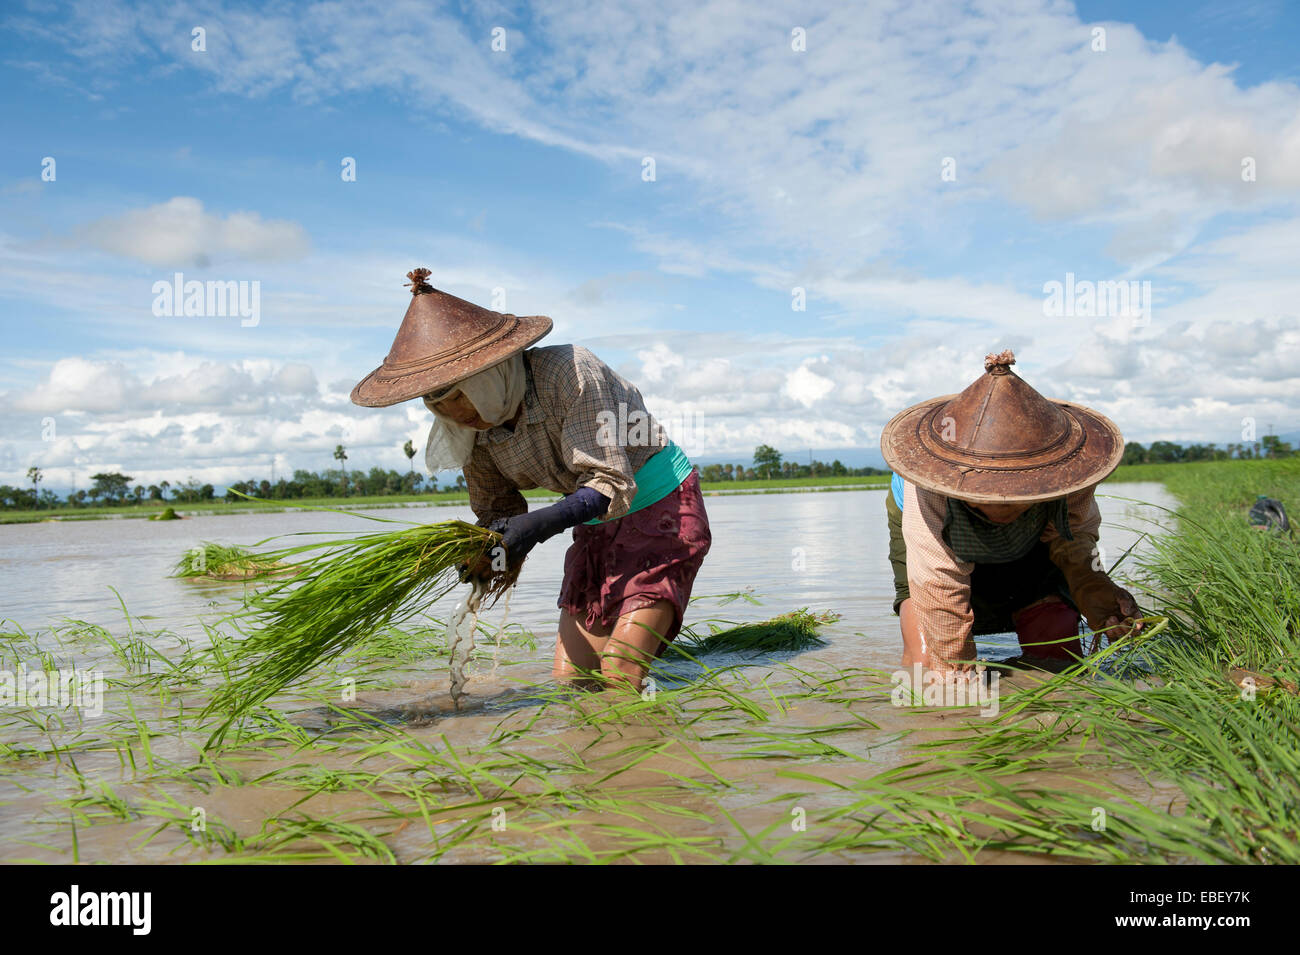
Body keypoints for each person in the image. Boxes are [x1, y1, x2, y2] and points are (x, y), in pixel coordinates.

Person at [351, 268, 711, 691]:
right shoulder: (472, 430)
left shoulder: (570, 373)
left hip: (661, 515)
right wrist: (486, 555)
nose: (453, 415)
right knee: (570, 681)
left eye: (458, 396)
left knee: (619, 674)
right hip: (595, 529)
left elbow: (610, 483)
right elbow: (499, 513)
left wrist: (535, 528)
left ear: (489, 374)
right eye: (438, 404)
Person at [880, 350, 1143, 674]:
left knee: (1059, 657)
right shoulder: (928, 488)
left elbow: (1077, 545)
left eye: (1014, 494)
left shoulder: (1067, 481)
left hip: (1031, 543)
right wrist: (955, 678)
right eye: (988, 494)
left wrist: (1096, 593)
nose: (1002, 504)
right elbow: (938, 586)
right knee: (929, 665)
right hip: (937, 549)